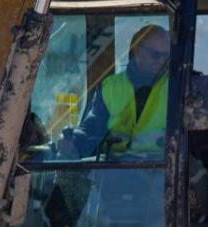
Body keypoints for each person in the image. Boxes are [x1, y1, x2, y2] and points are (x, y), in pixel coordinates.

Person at [60, 24, 170, 158]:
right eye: (155, 55)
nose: (161, 61)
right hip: (115, 168)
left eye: (166, 56)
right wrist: (75, 142)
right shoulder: (110, 87)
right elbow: (93, 128)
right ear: (136, 50)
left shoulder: (176, 87)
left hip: (160, 169)